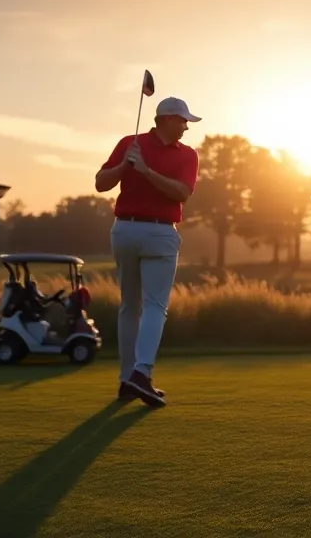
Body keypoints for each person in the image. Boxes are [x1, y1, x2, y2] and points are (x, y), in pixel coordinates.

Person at [95, 96, 201, 407]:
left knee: (135, 307)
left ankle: (130, 381)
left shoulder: (187, 155)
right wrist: (122, 165)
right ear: (167, 119)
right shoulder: (130, 143)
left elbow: (181, 193)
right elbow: (102, 183)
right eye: (183, 121)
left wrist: (145, 170)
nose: (185, 127)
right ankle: (138, 373)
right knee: (144, 306)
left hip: (154, 229)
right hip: (132, 229)